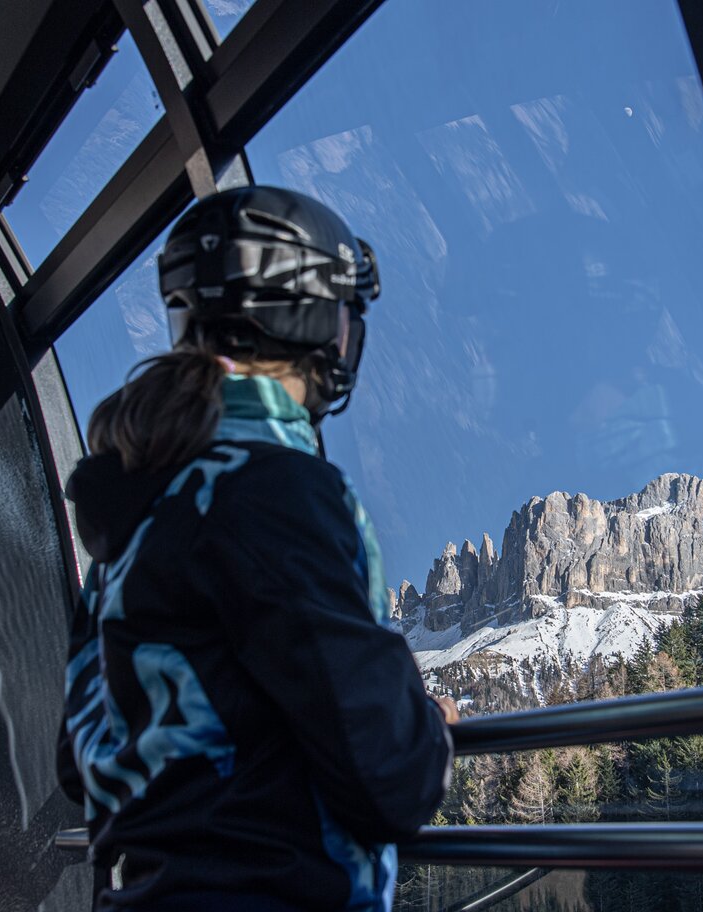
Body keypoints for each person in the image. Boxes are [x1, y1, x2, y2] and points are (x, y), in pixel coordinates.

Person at [58, 185, 457, 912]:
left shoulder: (135, 514)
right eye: (344, 320)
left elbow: (76, 760)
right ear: (311, 319)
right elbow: (388, 776)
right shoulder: (274, 492)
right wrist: (429, 726)